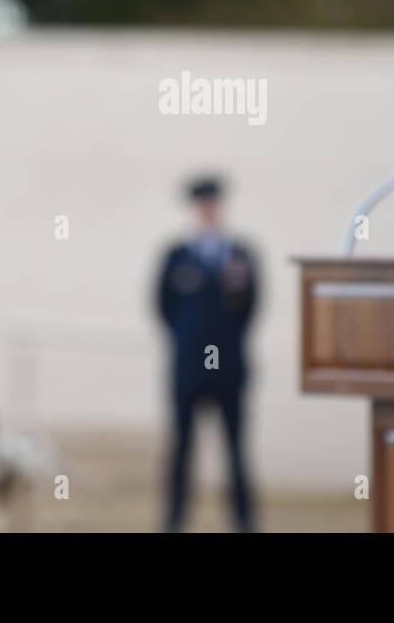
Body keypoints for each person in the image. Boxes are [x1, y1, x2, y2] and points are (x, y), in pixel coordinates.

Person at [157, 176, 258, 532]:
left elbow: (250, 308)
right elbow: (163, 308)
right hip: (188, 371)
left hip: (229, 370)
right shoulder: (176, 255)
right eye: (202, 204)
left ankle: (244, 523)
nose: (208, 210)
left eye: (212, 203)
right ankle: (174, 521)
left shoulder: (240, 254)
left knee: (236, 451)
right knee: (181, 451)